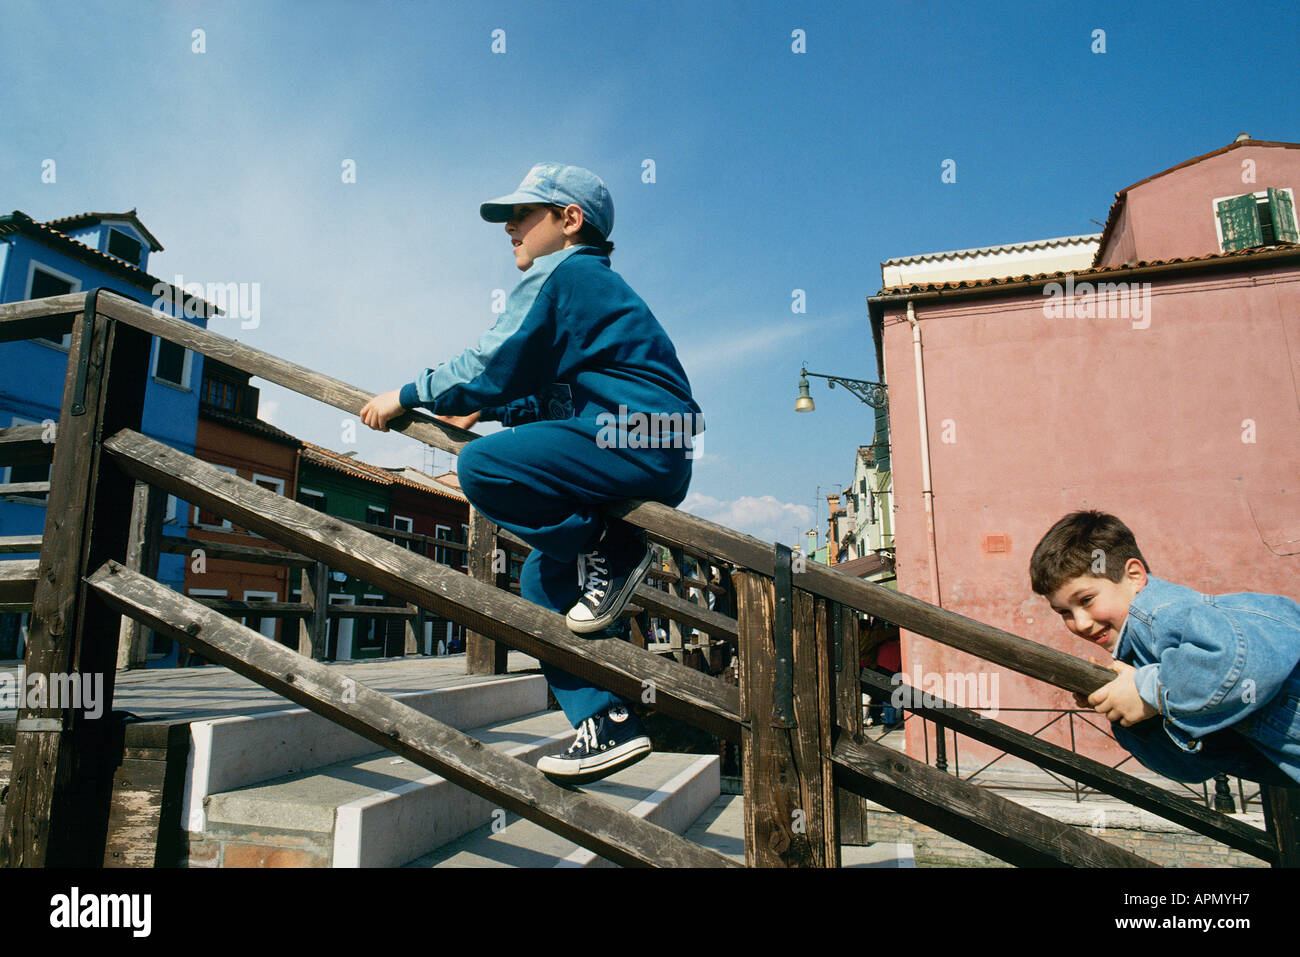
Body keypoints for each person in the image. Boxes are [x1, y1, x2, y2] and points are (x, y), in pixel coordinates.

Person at [360, 163, 704, 784]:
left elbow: (495, 357)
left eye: (524, 214)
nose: (510, 227)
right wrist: (487, 405)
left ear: (570, 221)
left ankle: (613, 547)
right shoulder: (589, 288)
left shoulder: (565, 274)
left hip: (638, 434)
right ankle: (608, 723)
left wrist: (408, 393)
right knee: (545, 584)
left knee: (484, 466)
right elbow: (553, 394)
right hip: (652, 441)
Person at [1029, 509, 1300, 786]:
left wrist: (1150, 693)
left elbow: (1241, 661)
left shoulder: (1160, 614)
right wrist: (1127, 707)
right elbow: (1195, 768)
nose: (1081, 623)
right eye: (1064, 612)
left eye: (1086, 600)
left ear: (1134, 575)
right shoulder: (1147, 654)